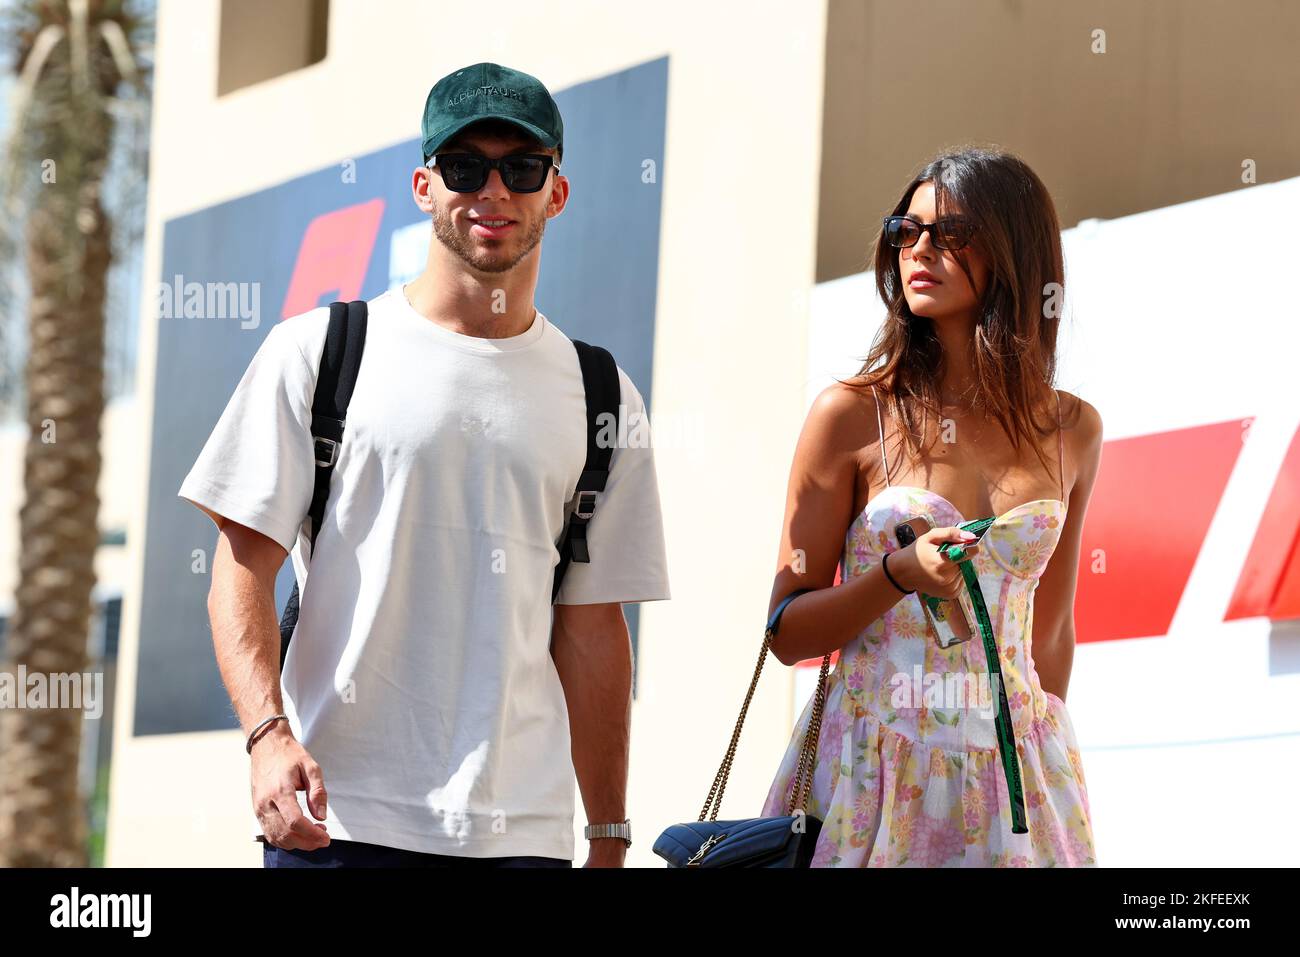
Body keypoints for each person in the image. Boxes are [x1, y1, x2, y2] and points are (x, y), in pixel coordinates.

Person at [178, 62, 670, 868]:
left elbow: (591, 627)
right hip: (337, 820)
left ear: (557, 191)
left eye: (522, 168)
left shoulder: (602, 392)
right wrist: (267, 737)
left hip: (523, 837)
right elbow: (241, 569)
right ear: (422, 184)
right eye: (465, 167)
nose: (493, 191)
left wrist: (609, 831)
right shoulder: (321, 352)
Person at [759, 147, 1100, 866]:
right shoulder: (852, 415)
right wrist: (896, 576)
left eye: (951, 235)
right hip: (873, 768)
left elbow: (1053, 634)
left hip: (1018, 780)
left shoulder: (1073, 427)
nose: (919, 250)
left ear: (1013, 251)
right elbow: (786, 630)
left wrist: (1046, 757)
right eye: (905, 232)